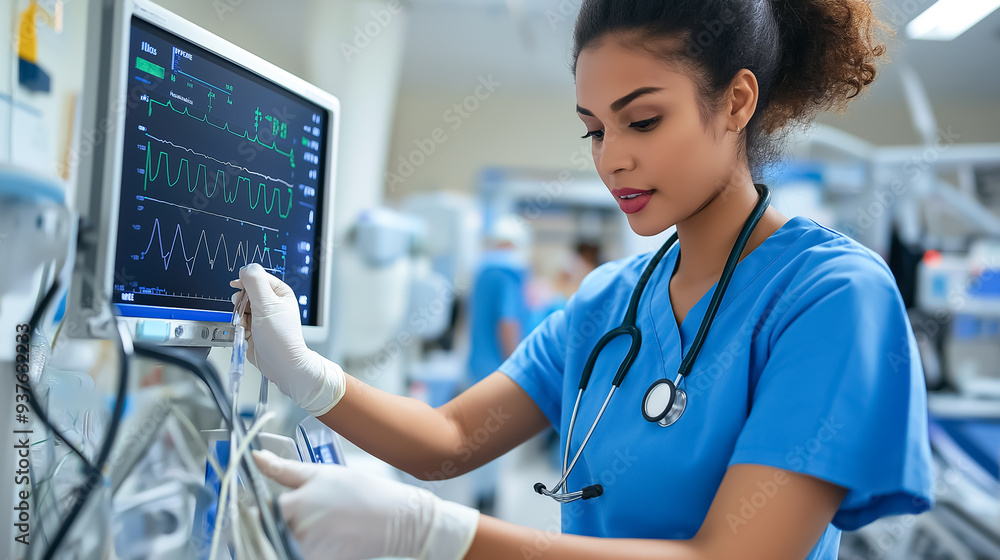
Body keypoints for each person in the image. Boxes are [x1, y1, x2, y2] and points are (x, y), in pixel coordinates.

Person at [234, 1, 935, 559]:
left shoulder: (832, 297)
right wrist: (303, 372)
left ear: (735, 102)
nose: (614, 160)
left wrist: (435, 536)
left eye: (643, 120)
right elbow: (449, 440)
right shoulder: (609, 301)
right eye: (595, 131)